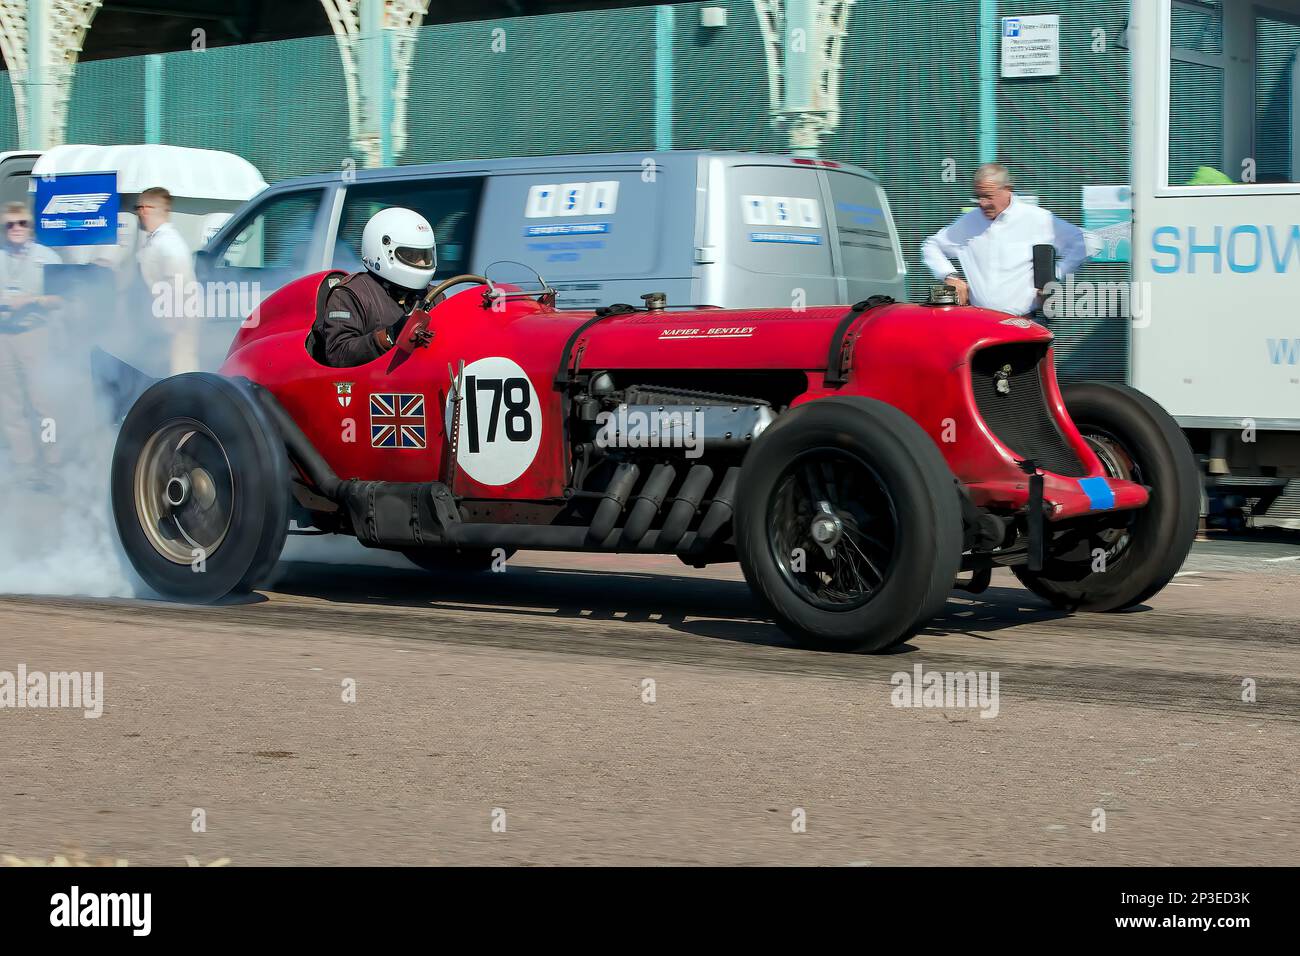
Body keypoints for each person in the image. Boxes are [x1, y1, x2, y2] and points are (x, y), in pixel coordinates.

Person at [922, 163, 1086, 317]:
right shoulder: (969, 221)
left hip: (1023, 325)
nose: (982, 203)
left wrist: (1054, 277)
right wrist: (950, 276)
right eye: (978, 197)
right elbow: (931, 246)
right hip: (979, 324)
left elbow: (1080, 243)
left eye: (988, 196)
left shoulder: (1037, 218)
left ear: (1008, 190)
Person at [313, 207, 437, 368]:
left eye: (424, 256)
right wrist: (388, 336)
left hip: (429, 379)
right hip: (376, 385)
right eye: (412, 256)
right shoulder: (350, 294)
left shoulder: (434, 295)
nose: (421, 263)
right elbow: (338, 353)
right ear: (383, 251)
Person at [0, 201, 63, 487]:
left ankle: (52, 464)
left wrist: (32, 301)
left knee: (43, 404)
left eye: (21, 223)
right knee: (10, 406)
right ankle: (25, 467)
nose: (15, 229)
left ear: (30, 226)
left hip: (36, 335)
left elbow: (62, 297)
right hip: (4, 337)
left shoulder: (46, 257)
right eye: (9, 224)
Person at [135, 186, 198, 373]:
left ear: (145, 209)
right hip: (165, 317)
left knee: (178, 372)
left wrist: (173, 318)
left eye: (138, 208)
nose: (138, 213)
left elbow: (180, 282)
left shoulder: (168, 242)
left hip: (176, 319)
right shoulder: (157, 240)